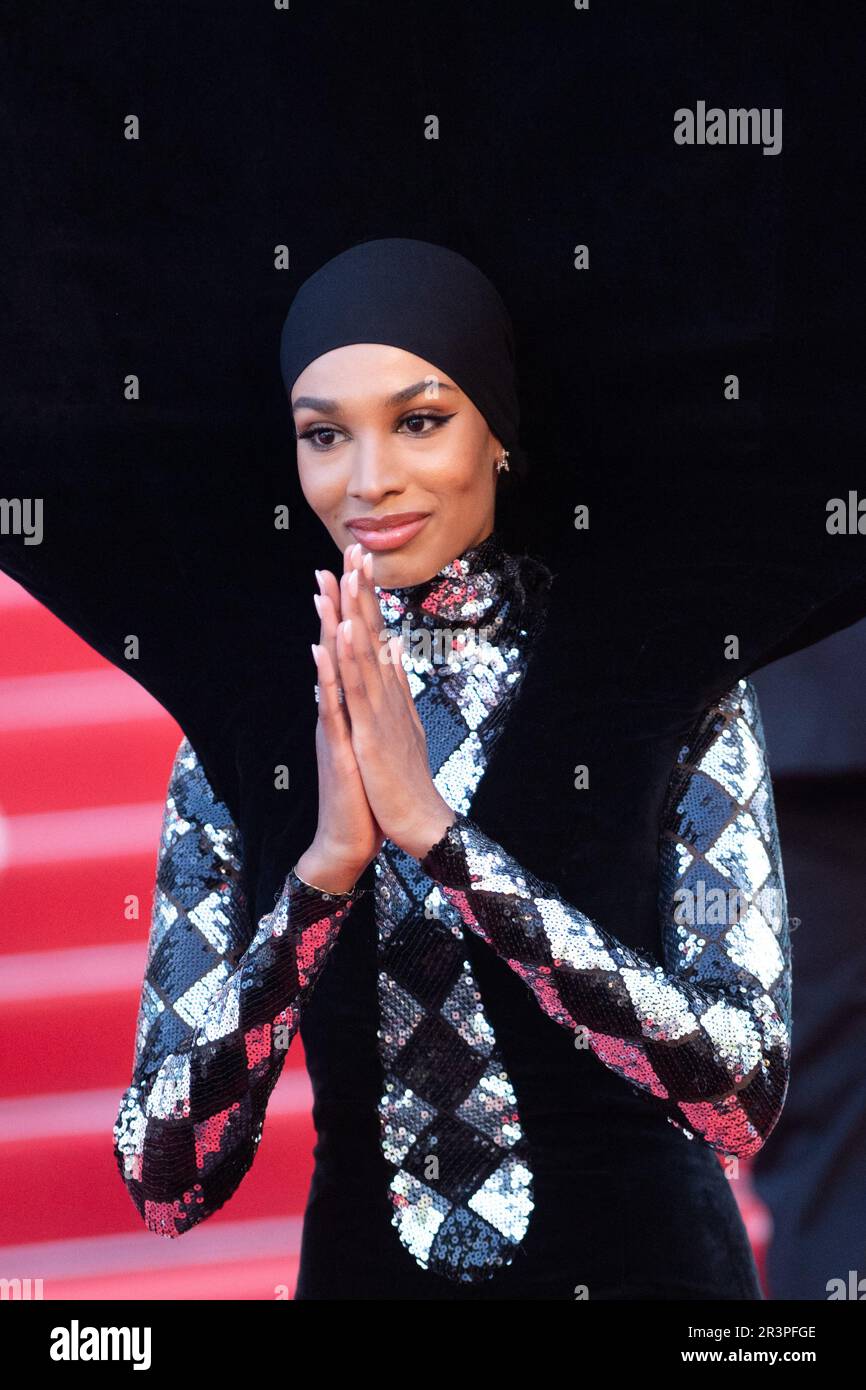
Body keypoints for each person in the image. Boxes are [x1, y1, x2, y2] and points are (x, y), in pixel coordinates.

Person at [112, 239, 792, 1299]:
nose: (369, 478)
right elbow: (164, 1182)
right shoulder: (245, 724)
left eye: (419, 420)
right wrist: (325, 872)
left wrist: (438, 837)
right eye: (323, 435)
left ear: (498, 434)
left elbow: (737, 1098)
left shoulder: (660, 681)